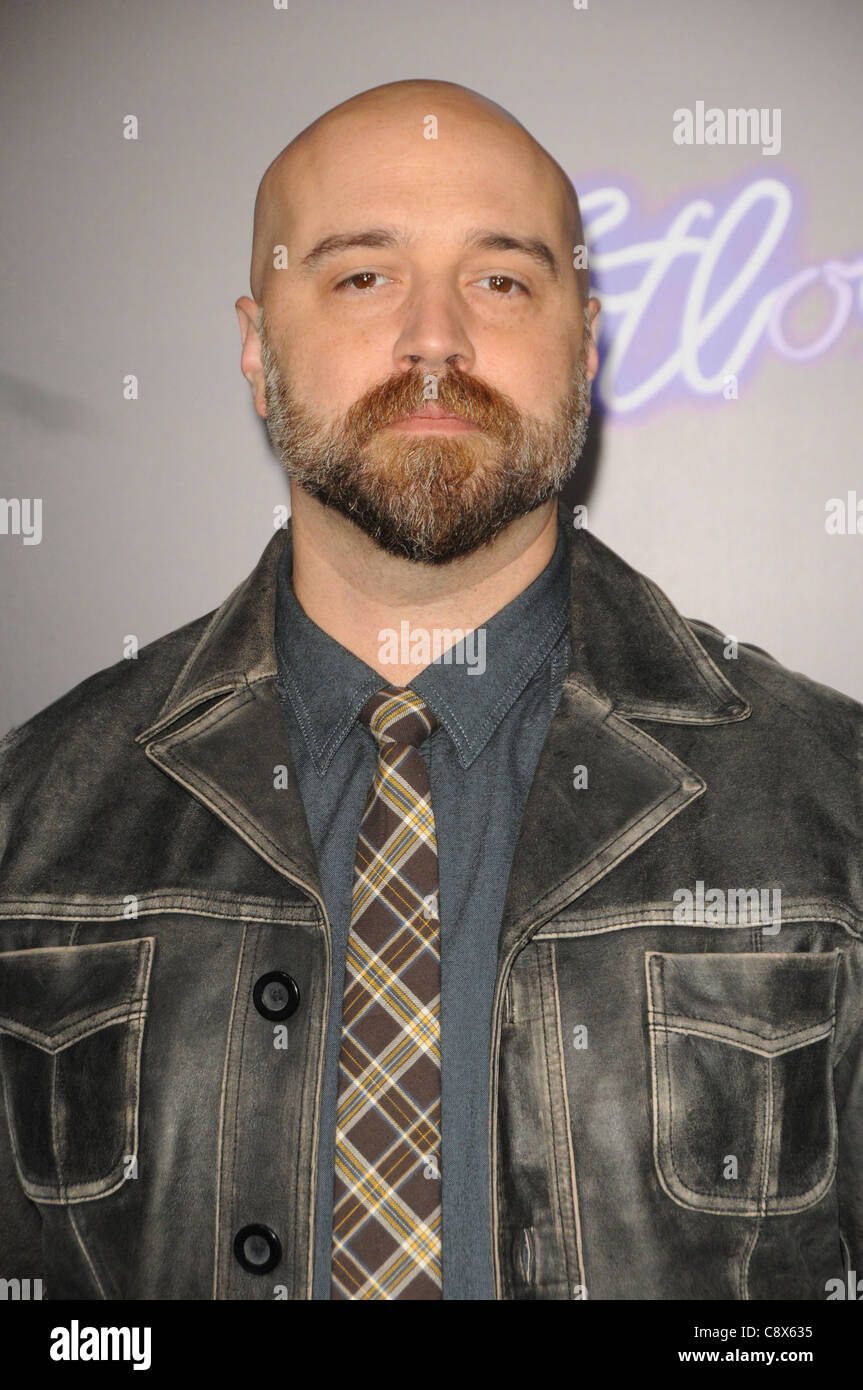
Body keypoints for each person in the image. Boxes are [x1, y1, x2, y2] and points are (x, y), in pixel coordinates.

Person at [0, 78, 860, 1302]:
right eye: (362, 276)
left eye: (501, 280)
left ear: (588, 346)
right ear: (256, 346)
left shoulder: (833, 808)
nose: (435, 341)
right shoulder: (34, 826)